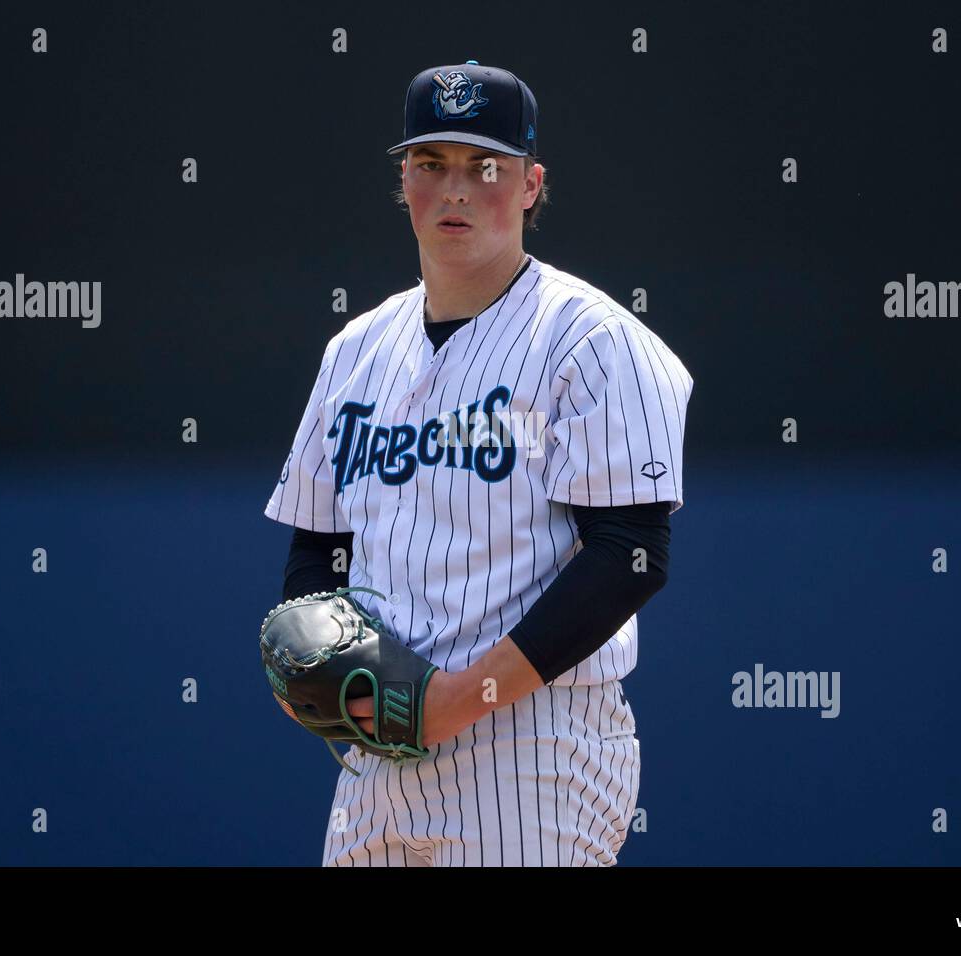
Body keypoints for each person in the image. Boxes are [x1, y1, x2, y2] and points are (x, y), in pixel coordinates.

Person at [265, 61, 693, 866]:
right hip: (378, 755)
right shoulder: (355, 350)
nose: (456, 190)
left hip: (535, 749)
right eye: (432, 164)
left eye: (484, 166)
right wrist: (308, 672)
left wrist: (457, 701)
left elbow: (630, 556)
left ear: (531, 184)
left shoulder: (589, 341)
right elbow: (317, 546)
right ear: (404, 180)